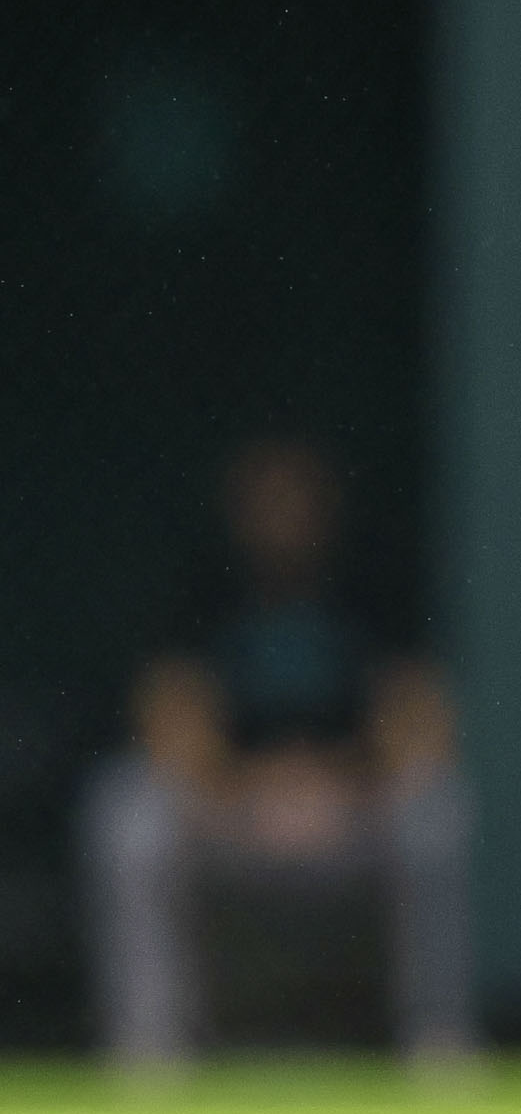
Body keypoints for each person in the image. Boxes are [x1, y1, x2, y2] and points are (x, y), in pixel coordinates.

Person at [81, 437, 474, 1071]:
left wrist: (338, 787)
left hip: (351, 816)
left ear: (326, 508)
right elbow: (169, 719)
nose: (282, 514)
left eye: (296, 499)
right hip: (230, 816)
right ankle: (149, 1051)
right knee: (130, 811)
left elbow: (422, 724)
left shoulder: (372, 586)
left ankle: (437, 1046)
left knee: (437, 812)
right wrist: (252, 790)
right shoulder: (204, 587)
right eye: (266, 500)